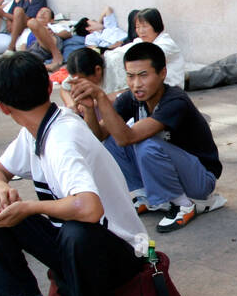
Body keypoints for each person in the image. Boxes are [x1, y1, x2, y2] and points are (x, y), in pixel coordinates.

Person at [0, 52, 144, 296]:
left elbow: (90, 209)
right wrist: (2, 192)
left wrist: (29, 207)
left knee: (78, 231)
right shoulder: (35, 129)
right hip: (73, 245)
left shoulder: (62, 136)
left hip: (122, 254)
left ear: (4, 107)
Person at [71, 41, 225, 233]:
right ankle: (142, 195)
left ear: (162, 73)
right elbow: (100, 135)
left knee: (145, 144)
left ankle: (183, 204)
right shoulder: (132, 98)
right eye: (130, 76)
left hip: (200, 179)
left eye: (143, 75)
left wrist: (101, 98)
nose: (136, 84)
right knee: (110, 140)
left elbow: (128, 137)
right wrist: (89, 108)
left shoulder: (175, 100)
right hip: (172, 170)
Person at [102, 8, 183, 92]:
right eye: (137, 27)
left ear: (156, 25)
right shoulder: (140, 41)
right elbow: (121, 51)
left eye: (145, 26)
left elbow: (146, 56)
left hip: (168, 88)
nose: (141, 31)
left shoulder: (166, 43)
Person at [5, 0, 62, 71]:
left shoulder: (54, 26)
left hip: (47, 42)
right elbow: (24, 45)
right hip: (34, 48)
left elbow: (67, 33)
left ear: (52, 19)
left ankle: (56, 56)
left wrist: (53, 33)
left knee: (27, 18)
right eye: (41, 12)